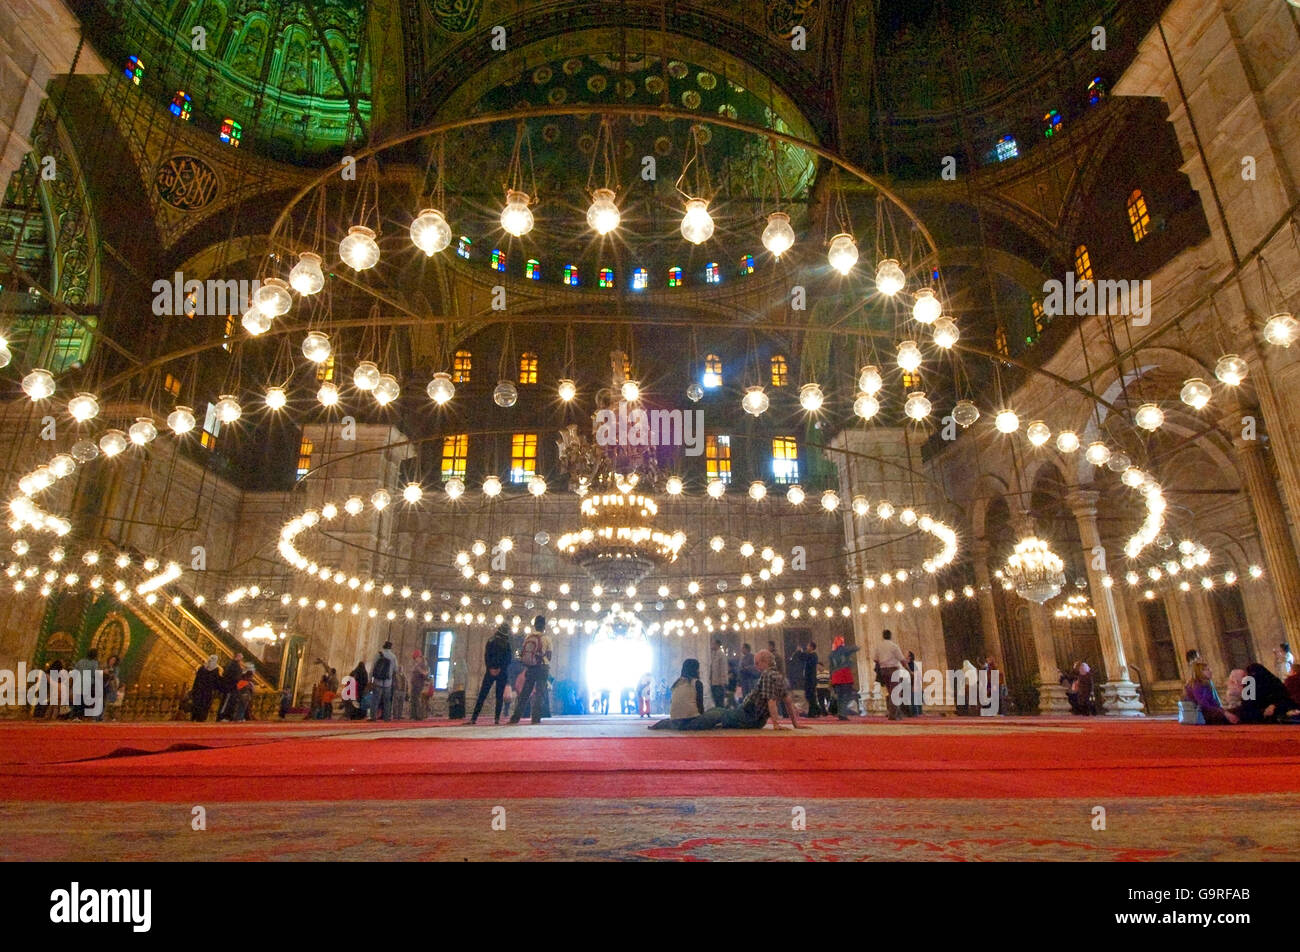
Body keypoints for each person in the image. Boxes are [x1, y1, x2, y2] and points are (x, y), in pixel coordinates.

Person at [672, 650, 810, 731]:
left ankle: (684, 725)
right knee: (718, 712)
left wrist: (775, 724)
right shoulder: (780, 676)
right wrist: (795, 724)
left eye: (757, 663)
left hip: (748, 716)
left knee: (716, 713)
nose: (755, 667)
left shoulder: (768, 674)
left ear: (765, 663)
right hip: (751, 717)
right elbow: (788, 701)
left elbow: (771, 701)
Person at [509, 616, 552, 725]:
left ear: (535, 625)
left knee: (525, 693)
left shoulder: (528, 637)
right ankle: (536, 718)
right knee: (539, 693)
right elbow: (549, 656)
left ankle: (515, 718)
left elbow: (520, 653)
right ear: (544, 626)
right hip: (542, 667)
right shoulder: (546, 638)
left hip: (531, 668)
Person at [471, 622, 513, 724]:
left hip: (490, 671)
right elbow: (508, 659)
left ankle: (474, 718)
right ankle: (497, 719)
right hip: (502, 672)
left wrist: (490, 668)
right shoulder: (507, 644)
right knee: (499, 696)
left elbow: (487, 656)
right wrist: (500, 669)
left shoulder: (490, 641)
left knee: (482, 695)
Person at [650, 659, 706, 730]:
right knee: (716, 712)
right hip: (692, 719)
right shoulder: (697, 683)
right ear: (695, 670)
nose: (699, 671)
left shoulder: (676, 683)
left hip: (675, 720)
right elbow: (700, 705)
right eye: (698, 669)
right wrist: (703, 717)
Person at [873, 630, 908, 720]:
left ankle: (896, 713)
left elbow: (875, 659)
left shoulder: (879, 646)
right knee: (895, 693)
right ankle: (893, 715)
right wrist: (909, 670)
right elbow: (902, 660)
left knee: (890, 692)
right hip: (893, 670)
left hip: (883, 671)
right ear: (890, 636)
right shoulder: (894, 646)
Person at [828, 636, 859, 720]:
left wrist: (831, 678)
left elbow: (831, 667)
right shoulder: (844, 650)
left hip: (835, 677)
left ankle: (841, 713)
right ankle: (843, 713)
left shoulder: (831, 654)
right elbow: (855, 648)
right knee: (847, 694)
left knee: (839, 696)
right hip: (844, 675)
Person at [370, 641, 398, 721]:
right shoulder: (393, 656)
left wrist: (370, 680)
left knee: (375, 700)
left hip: (377, 681)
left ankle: (373, 717)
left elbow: (372, 668)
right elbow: (396, 669)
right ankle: (386, 717)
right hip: (388, 682)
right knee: (387, 701)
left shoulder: (378, 654)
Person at [190, 655, 220, 722]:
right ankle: (200, 719)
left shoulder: (202, 668)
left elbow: (196, 680)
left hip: (199, 690)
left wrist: (194, 689)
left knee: (197, 704)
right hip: (207, 691)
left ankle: (194, 717)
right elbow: (216, 682)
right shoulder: (215, 670)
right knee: (204, 705)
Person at [216, 653, 244, 721]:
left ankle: (227, 716)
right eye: (240, 657)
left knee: (230, 702)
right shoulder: (232, 665)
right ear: (237, 657)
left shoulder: (236, 665)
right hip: (230, 687)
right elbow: (228, 675)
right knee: (226, 702)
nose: (241, 660)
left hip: (233, 687)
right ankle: (222, 716)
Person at [409, 651, 430, 721]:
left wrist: (419, 670)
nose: (415, 660)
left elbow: (426, 674)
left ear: (419, 657)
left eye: (415, 658)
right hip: (414, 685)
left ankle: (418, 716)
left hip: (419, 685)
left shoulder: (423, 665)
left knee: (417, 700)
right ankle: (413, 715)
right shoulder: (417, 664)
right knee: (413, 700)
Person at [802, 641, 820, 717]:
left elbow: (810, 665)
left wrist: (804, 653)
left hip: (811, 679)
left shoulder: (813, 655)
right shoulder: (809, 655)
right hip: (808, 678)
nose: (807, 647)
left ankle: (814, 711)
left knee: (811, 696)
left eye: (808, 646)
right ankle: (814, 711)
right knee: (808, 695)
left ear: (812, 647)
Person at [103, 654, 122, 721]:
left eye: (114, 660)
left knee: (111, 702)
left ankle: (112, 716)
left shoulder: (116, 668)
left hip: (112, 686)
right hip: (103, 685)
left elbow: (114, 676)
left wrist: (110, 674)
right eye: (111, 659)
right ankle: (102, 716)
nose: (112, 661)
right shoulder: (105, 666)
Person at [906, 651, 922, 717]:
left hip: (912, 683)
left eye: (906, 655)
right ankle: (913, 713)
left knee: (913, 698)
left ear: (910, 657)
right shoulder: (909, 664)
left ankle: (915, 713)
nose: (905, 656)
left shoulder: (912, 664)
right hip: (909, 683)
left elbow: (916, 674)